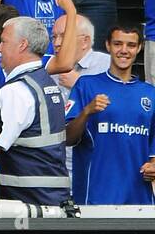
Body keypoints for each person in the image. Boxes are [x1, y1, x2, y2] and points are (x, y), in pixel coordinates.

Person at [65, 23, 155, 204]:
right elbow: (68, 138)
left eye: (130, 45)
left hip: (139, 199)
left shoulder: (150, 93)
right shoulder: (86, 85)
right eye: (117, 44)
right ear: (107, 46)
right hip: (95, 196)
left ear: (139, 48)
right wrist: (86, 112)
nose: (124, 50)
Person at [0, 14, 70, 206]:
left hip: (23, 203)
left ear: (22, 45)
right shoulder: (46, 84)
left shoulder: (15, 91)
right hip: (51, 198)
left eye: (3, 42)